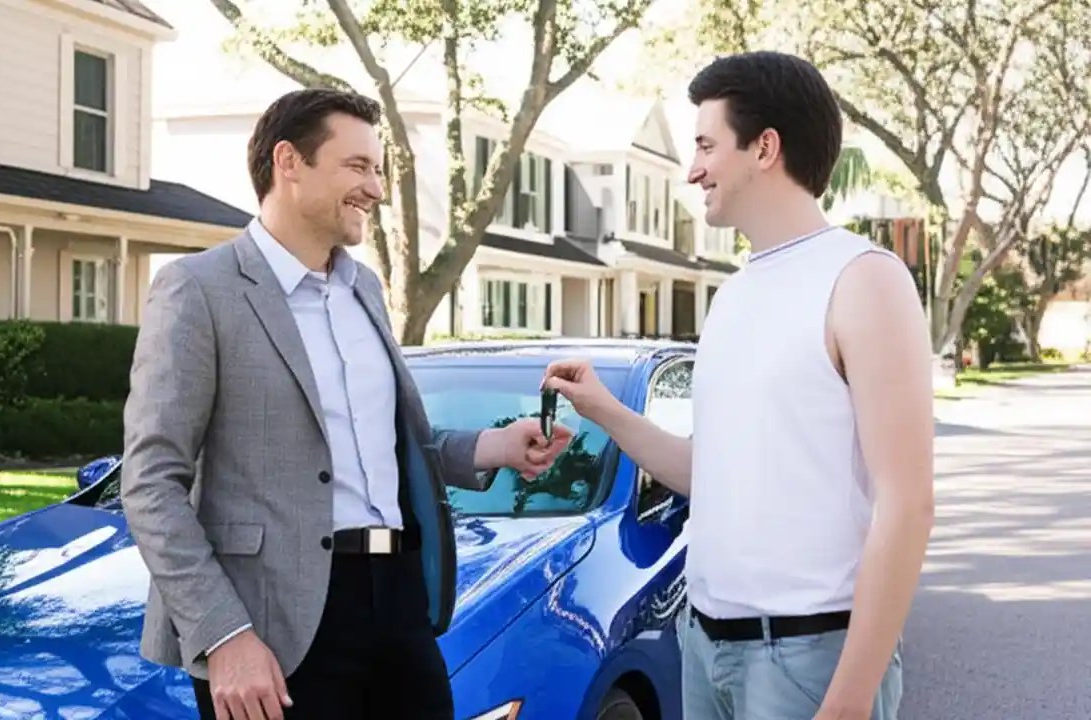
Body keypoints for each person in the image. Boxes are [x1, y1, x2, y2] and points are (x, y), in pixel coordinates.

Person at [120, 88, 572, 720]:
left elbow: (392, 445)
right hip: (274, 626)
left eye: (378, 170)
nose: (377, 189)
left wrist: (495, 446)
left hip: (398, 603)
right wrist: (223, 636)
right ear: (289, 162)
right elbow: (150, 482)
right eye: (358, 167)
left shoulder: (363, 288)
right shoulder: (198, 290)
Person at [542, 51, 934, 720]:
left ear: (766, 148)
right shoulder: (732, 298)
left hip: (809, 659)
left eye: (705, 145)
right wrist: (605, 409)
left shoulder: (864, 279)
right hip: (707, 651)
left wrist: (847, 700)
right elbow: (712, 473)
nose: (692, 169)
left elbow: (908, 504)